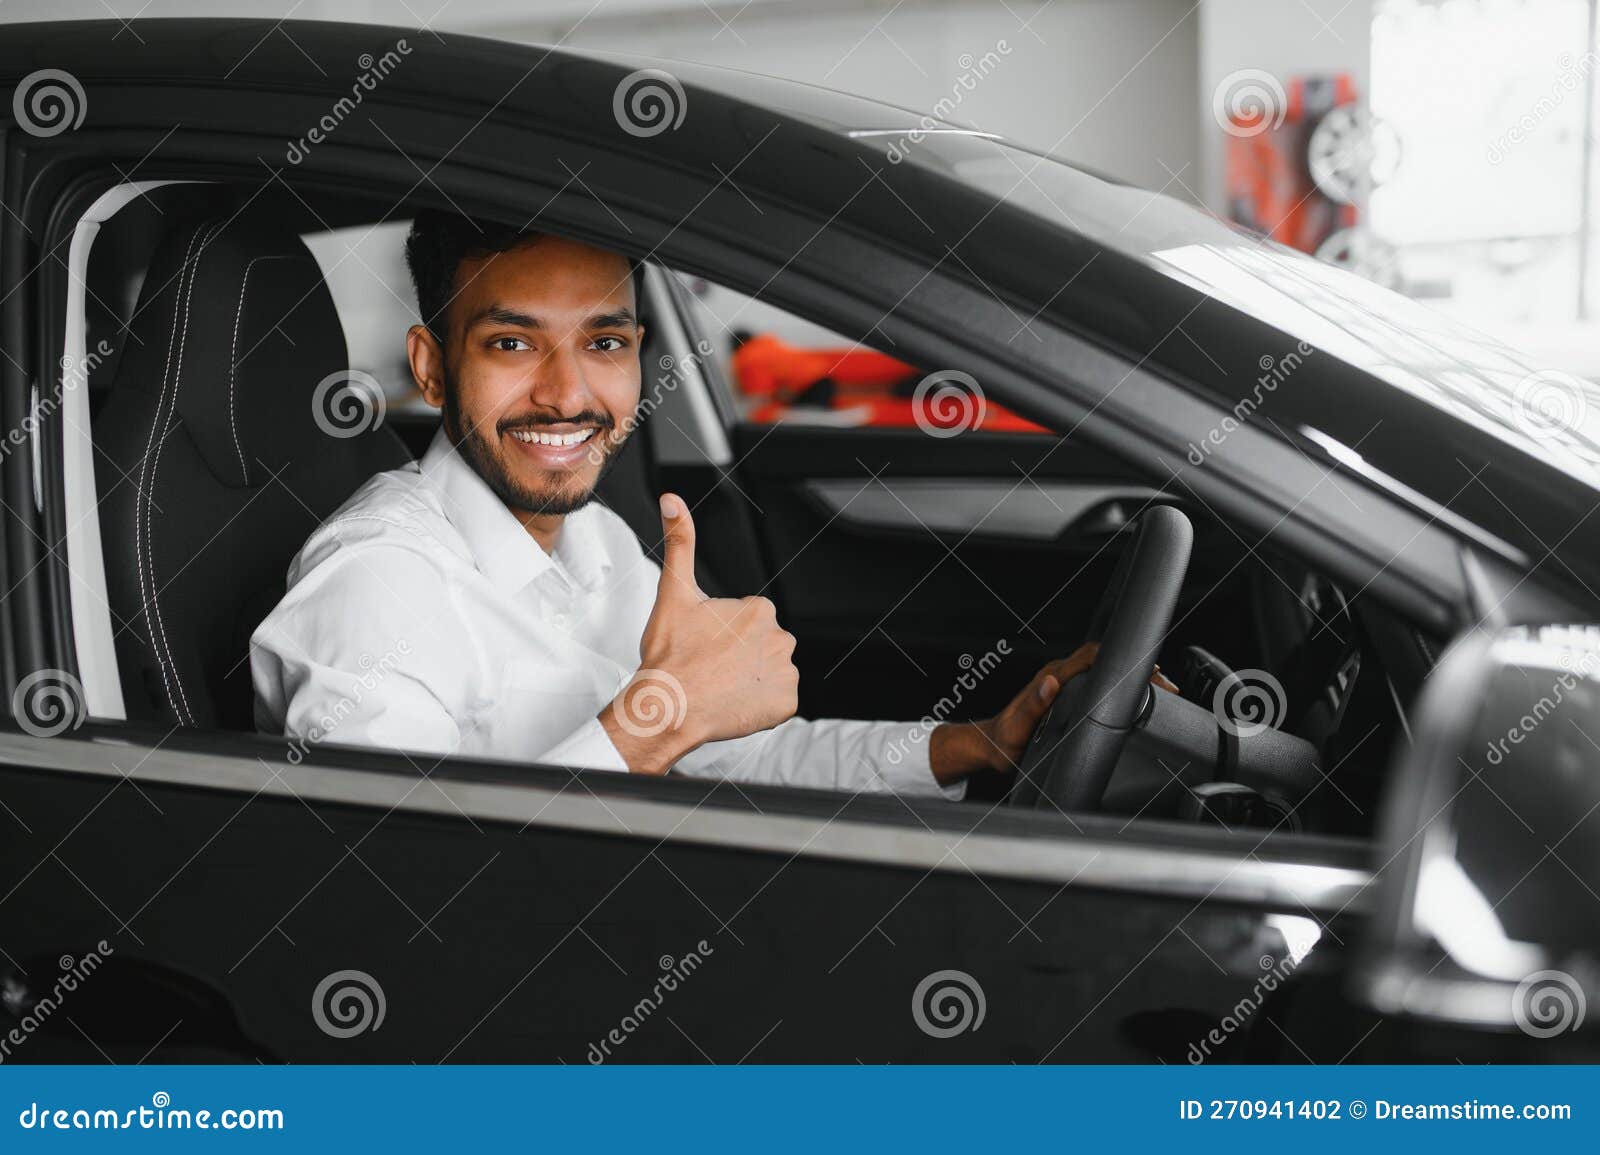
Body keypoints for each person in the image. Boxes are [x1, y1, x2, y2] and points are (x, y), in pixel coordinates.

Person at [252, 211, 1138, 798]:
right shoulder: (377, 588)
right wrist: (659, 711)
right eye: (512, 343)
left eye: (604, 343)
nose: (568, 395)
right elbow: (398, 891)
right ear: (432, 366)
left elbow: (731, 760)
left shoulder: (597, 539)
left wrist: (978, 742)